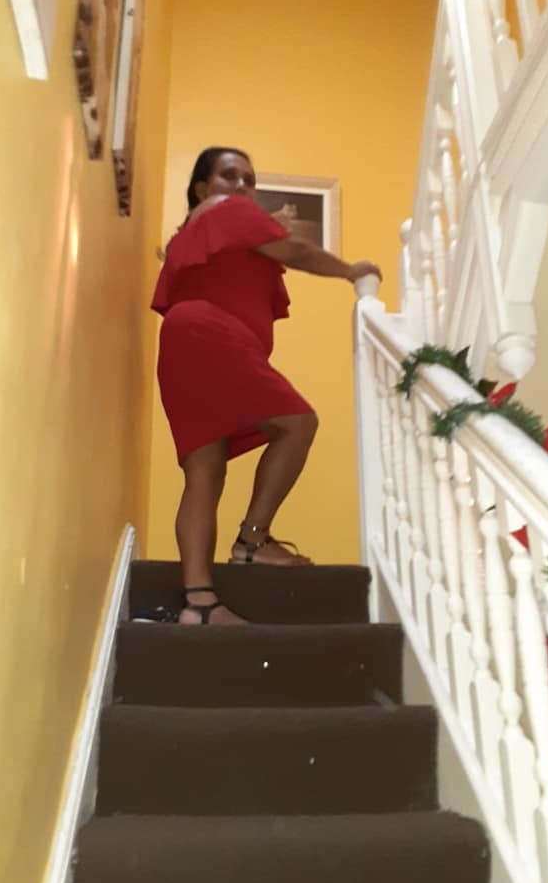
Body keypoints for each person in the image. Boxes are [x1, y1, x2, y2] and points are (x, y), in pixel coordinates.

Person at [151, 147, 381, 625]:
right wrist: (351, 271)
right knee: (298, 422)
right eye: (229, 175)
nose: (241, 186)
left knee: (205, 472)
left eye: (249, 180)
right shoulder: (224, 210)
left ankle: (199, 603)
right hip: (209, 332)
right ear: (202, 188)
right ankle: (252, 541)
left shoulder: (202, 229)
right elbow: (297, 251)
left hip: (185, 339)